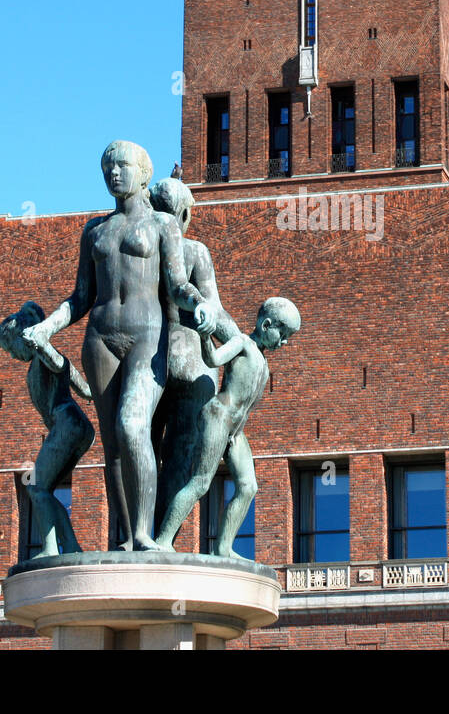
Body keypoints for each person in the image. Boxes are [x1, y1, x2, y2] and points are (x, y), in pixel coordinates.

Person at [20, 141, 218, 551]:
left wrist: (199, 305)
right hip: (100, 339)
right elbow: (79, 297)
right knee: (113, 444)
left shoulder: (164, 226)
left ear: (144, 174)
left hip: (148, 336)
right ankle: (126, 537)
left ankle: (146, 532)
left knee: (133, 427)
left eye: (122, 165)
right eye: (107, 166)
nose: (114, 173)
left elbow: (178, 284)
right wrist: (49, 327)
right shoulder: (95, 230)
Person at [154, 297, 301, 558]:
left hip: (235, 429)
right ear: (266, 325)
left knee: (248, 487)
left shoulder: (263, 362)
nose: (285, 341)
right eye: (283, 333)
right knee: (200, 482)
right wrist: (205, 335)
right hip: (218, 416)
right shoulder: (242, 343)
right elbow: (213, 359)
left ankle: (222, 547)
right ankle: (163, 540)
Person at [146, 178, 241, 542]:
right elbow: (213, 309)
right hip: (192, 363)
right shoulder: (193, 251)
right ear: (184, 215)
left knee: (142, 449)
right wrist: (240, 343)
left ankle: (136, 534)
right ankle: (162, 541)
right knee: (181, 459)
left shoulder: (137, 253)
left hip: (146, 362)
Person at [0, 301, 94, 558]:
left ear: (21, 337)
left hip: (67, 424)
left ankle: (50, 549)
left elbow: (57, 363)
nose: (13, 356)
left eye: (11, 349)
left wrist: (40, 342)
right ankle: (69, 545)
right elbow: (85, 390)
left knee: (36, 487)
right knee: (44, 489)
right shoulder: (42, 357)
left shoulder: (43, 353)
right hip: (76, 427)